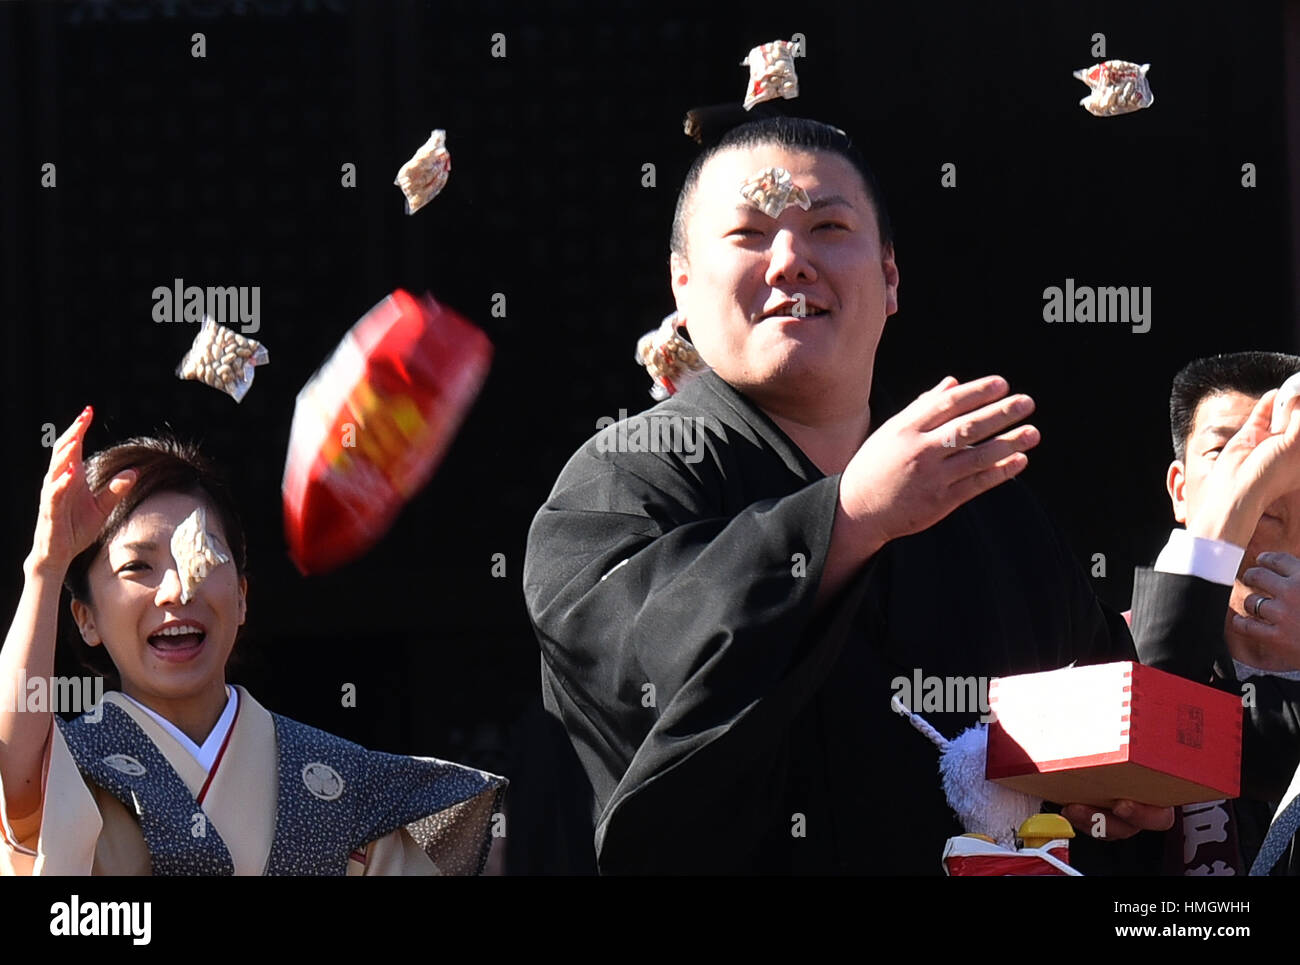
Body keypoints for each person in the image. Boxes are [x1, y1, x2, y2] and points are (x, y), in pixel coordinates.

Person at [523, 114, 1300, 874]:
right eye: (749, 234)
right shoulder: (628, 476)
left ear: (891, 278)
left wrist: (1216, 526)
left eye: (828, 227)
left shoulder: (981, 496)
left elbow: (1116, 714)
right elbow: (642, 684)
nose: (791, 260)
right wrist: (852, 515)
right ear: (682, 286)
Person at [0, 408, 506, 875]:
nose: (179, 589)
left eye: (200, 557)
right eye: (138, 567)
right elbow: (12, 760)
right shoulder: (72, 768)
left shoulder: (346, 786)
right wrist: (45, 567)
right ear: (85, 618)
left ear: (241, 598)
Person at [1132, 352, 1300, 875]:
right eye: (1226, 450)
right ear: (1181, 490)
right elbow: (1135, 751)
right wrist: (1229, 514)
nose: (1257, 468)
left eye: (1286, 452)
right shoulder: (1103, 646)